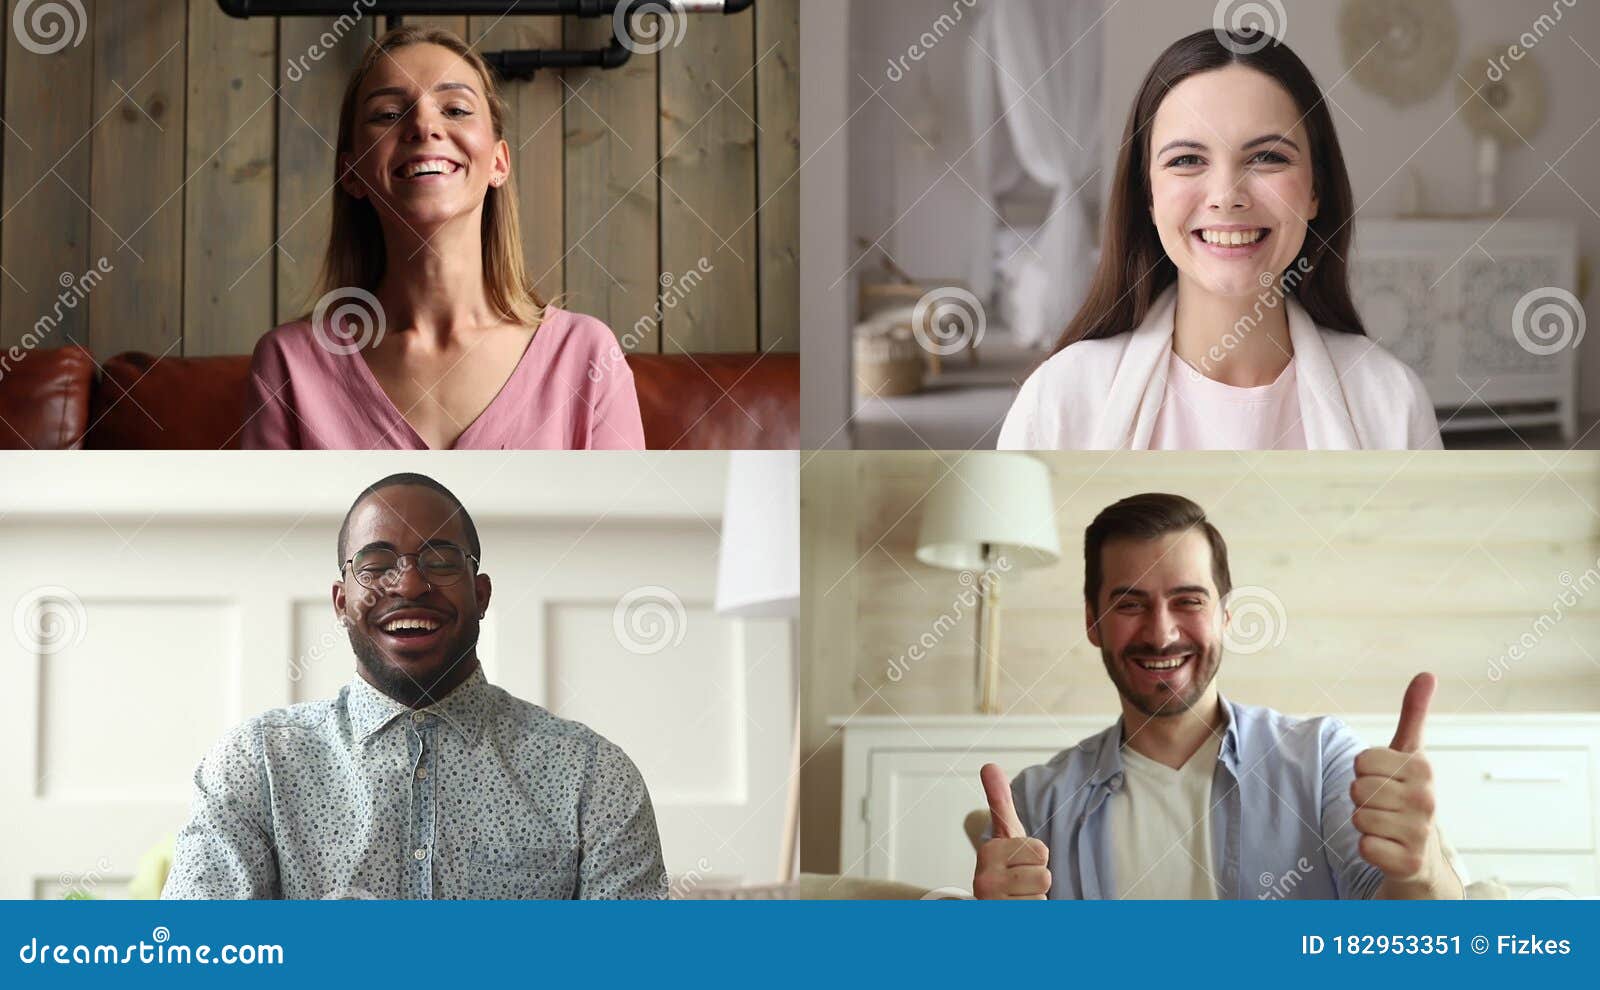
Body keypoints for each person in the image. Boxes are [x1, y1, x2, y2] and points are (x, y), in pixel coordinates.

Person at [163, 472, 665, 899]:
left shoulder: (593, 777)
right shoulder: (256, 764)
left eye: (441, 561)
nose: (407, 585)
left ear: (481, 594)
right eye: (376, 565)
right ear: (341, 602)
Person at [972, 493, 1463, 899]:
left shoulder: (1322, 758)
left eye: (1188, 601)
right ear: (1092, 621)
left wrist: (1421, 873)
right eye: (1130, 604)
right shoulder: (1037, 803)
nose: (1161, 634)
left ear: (1226, 616)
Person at [998, 29, 1440, 451]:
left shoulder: (1392, 402)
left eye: (1267, 157)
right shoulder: (1058, 400)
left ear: (1315, 191)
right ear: (1148, 197)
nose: (1227, 197)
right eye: (1187, 159)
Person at [242, 27, 644, 450]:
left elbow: (625, 518)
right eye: (389, 114)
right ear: (353, 174)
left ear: (498, 163)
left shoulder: (587, 356)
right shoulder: (288, 364)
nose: (423, 125)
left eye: (455, 109)